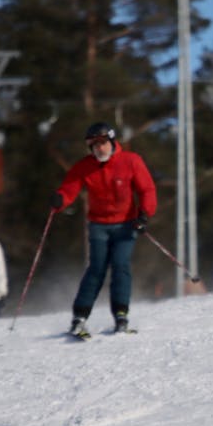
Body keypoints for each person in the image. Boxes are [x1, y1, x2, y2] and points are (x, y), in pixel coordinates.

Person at [50, 122, 157, 337]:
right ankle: (79, 317)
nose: (99, 149)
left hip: (126, 224)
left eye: (103, 143)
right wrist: (60, 199)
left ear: (112, 142)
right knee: (97, 268)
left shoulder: (131, 161)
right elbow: (69, 188)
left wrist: (144, 214)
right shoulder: (85, 166)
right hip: (99, 225)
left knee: (120, 265)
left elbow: (146, 189)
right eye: (94, 145)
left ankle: (121, 314)